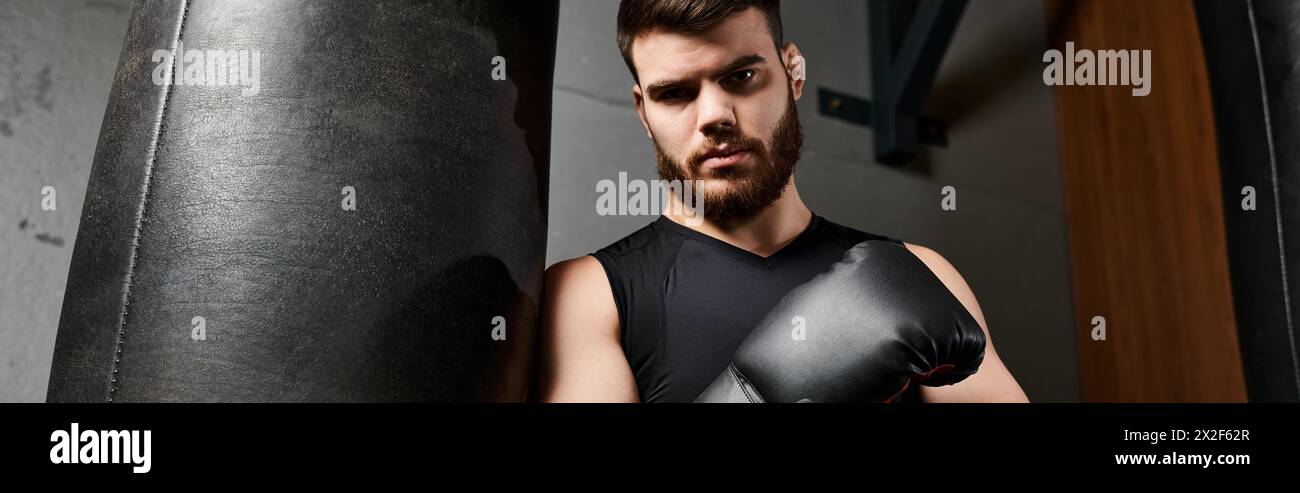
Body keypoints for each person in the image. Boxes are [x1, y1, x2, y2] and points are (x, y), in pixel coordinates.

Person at [537, 0, 1028, 403]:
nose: (714, 116)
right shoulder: (593, 293)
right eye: (675, 94)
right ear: (644, 112)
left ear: (793, 72)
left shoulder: (919, 272)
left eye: (741, 77)